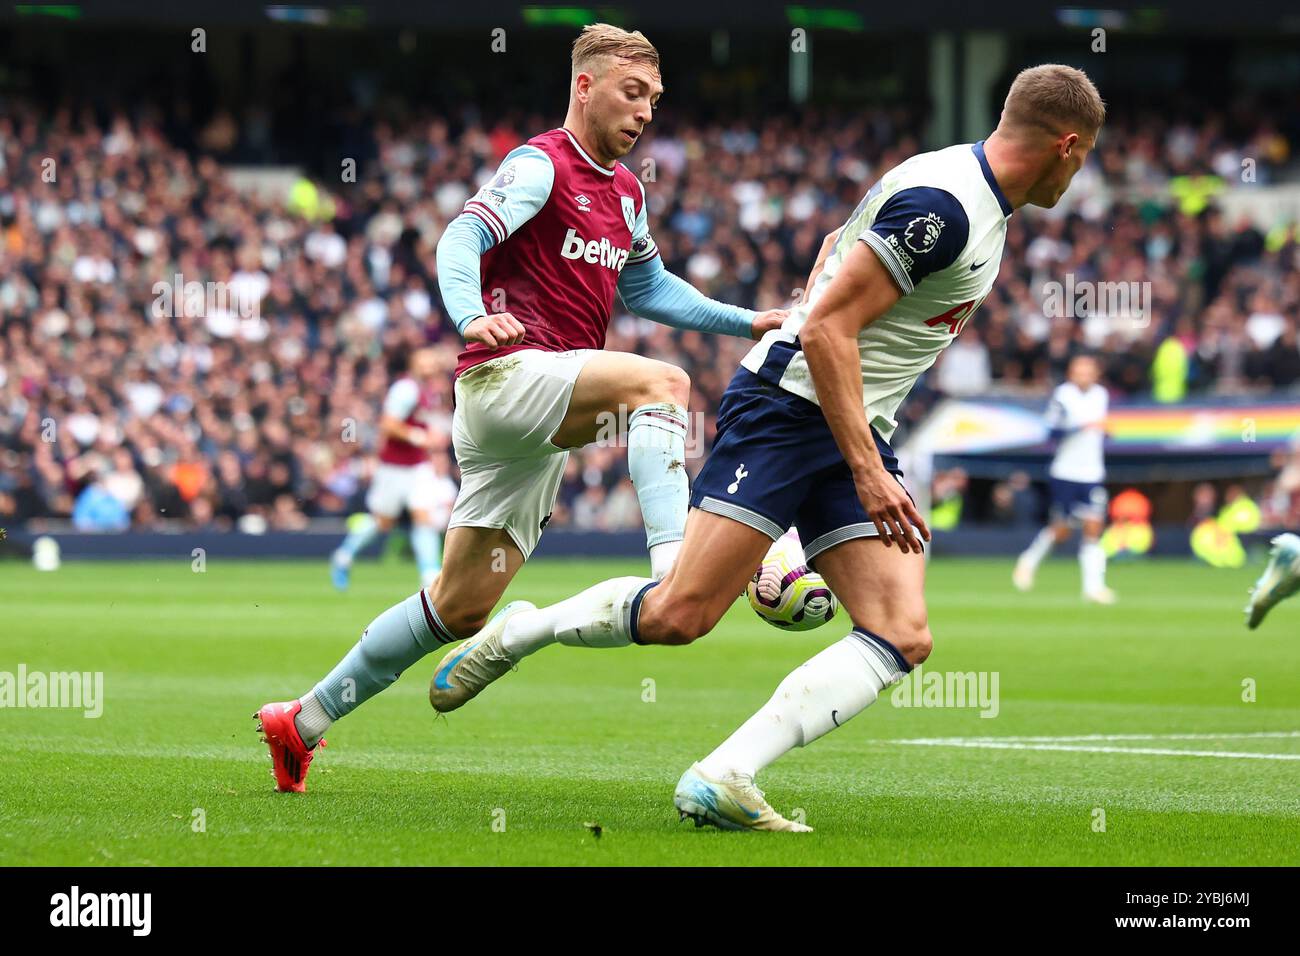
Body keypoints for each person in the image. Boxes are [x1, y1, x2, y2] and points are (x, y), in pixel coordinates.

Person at [427, 64, 1106, 831]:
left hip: (848, 420)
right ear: (1067, 144)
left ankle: (725, 774)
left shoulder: (957, 185)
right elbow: (823, 328)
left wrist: (836, 316)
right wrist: (866, 469)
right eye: (1085, 160)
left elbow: (839, 248)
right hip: (787, 412)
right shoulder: (947, 206)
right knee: (680, 614)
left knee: (902, 633)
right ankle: (525, 630)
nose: (1080, 175)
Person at [255, 23, 785, 792]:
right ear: (585, 86)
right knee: (664, 386)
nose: (644, 114)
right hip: (507, 379)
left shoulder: (628, 192)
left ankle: (300, 721)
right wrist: (470, 314)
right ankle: (673, 567)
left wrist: (747, 320)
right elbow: (460, 238)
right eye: (631, 94)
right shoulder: (541, 164)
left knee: (459, 609)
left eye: (654, 101)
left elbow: (649, 291)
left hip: (536, 421)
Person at [329, 347, 456, 590]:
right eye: (425, 360)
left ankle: (429, 578)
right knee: (382, 522)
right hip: (393, 469)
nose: (430, 364)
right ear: (414, 363)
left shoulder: (427, 391)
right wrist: (422, 437)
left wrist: (435, 435)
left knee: (424, 517)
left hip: (418, 466)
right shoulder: (405, 389)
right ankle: (343, 556)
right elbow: (387, 425)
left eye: (432, 360)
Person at [1013, 353, 1116, 603]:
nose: (1084, 375)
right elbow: (1051, 431)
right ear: (1071, 373)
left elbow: (1101, 430)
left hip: (1091, 472)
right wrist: (1082, 426)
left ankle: (1093, 586)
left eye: (1088, 370)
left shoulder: (1101, 395)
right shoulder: (1063, 395)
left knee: (1094, 526)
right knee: (1062, 529)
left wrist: (1104, 433)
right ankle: (1028, 561)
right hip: (1066, 472)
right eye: (1079, 370)